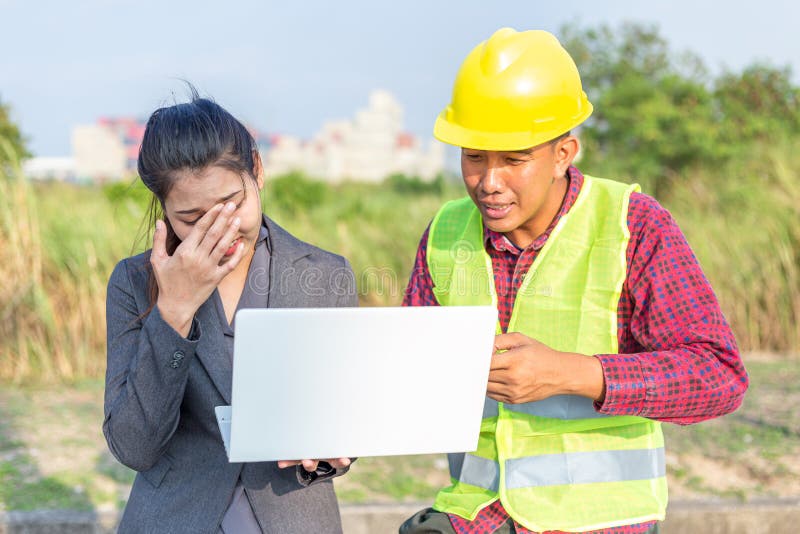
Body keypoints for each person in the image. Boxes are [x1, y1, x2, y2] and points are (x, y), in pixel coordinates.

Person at [400, 28, 749, 534]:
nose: (489, 182)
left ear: (564, 153)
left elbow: (718, 377)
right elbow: (410, 376)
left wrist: (571, 373)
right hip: (475, 513)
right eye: (474, 157)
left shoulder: (635, 225)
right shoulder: (445, 233)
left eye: (514, 160)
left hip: (602, 522)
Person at [103, 91, 357, 534]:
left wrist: (338, 446)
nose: (220, 228)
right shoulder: (133, 282)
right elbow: (134, 446)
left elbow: (347, 419)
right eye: (192, 217)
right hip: (173, 517)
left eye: (232, 205)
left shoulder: (326, 275)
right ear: (162, 208)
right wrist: (174, 312)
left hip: (294, 514)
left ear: (256, 170)